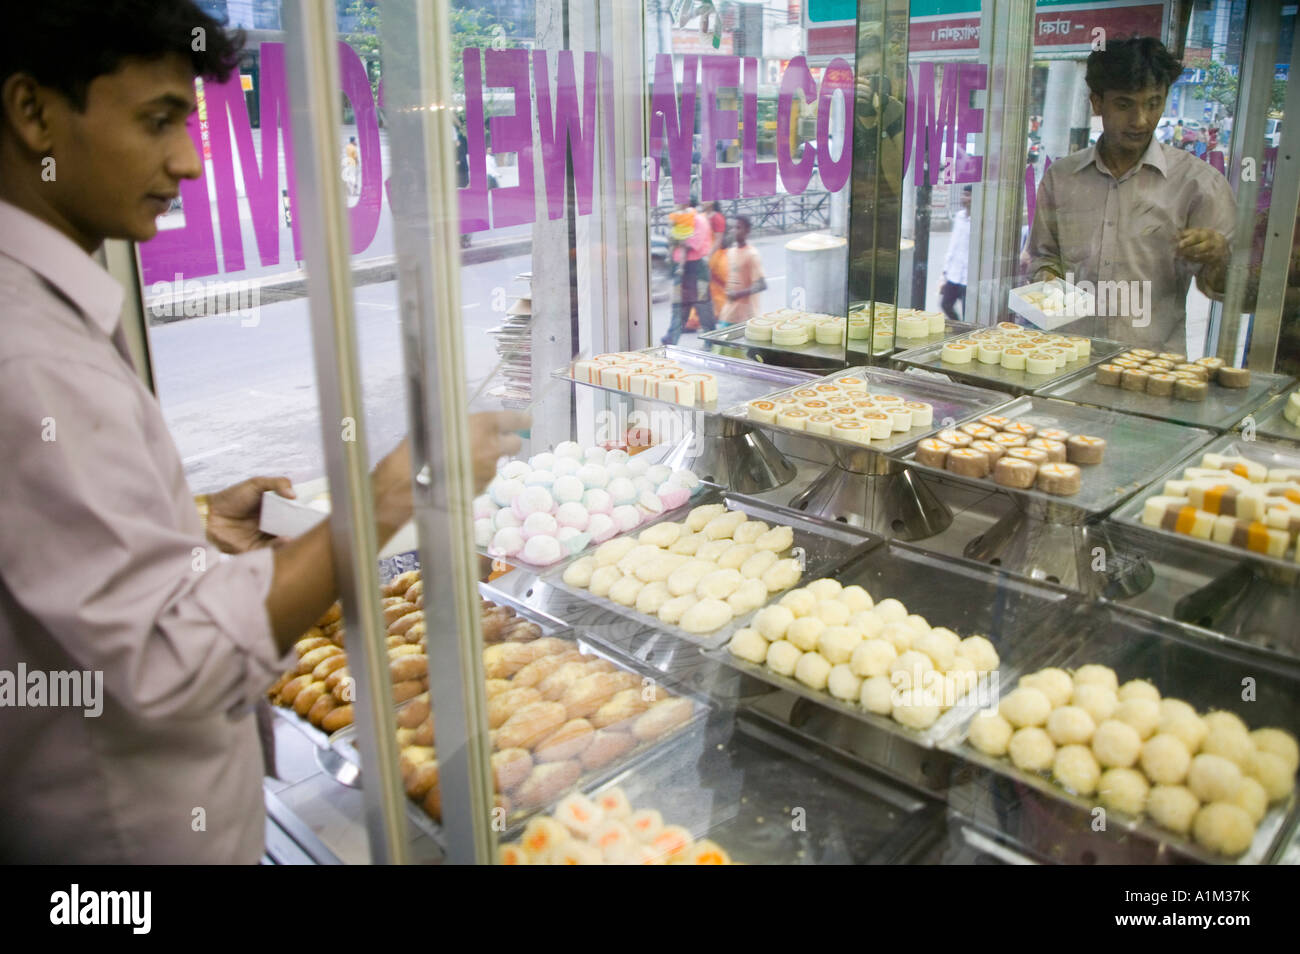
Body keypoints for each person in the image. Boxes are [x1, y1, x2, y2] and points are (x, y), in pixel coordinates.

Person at [0, 0, 527, 863]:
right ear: (34, 113)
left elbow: (69, 571)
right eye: (157, 120)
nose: (190, 160)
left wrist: (195, 533)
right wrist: (392, 495)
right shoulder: (28, 355)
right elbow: (173, 663)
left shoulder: (49, 315)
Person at [1026, 37, 1235, 352]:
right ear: (1097, 103)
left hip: (1152, 369)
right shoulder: (1062, 178)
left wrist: (1219, 257)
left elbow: (1224, 289)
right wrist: (1047, 279)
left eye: (1153, 103)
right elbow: (1044, 255)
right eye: (1125, 104)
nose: (1141, 120)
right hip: (1068, 359)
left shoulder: (1198, 185)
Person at [662, 199, 716, 345]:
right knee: (679, 306)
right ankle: (671, 340)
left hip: (696, 268)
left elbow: (693, 244)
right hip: (681, 269)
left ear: (686, 204)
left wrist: (677, 239)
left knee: (703, 307)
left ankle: (711, 342)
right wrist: (678, 239)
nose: (675, 204)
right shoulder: (680, 219)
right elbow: (671, 239)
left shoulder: (699, 220)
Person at [719, 215, 765, 326]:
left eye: (738, 228)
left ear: (747, 230)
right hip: (729, 313)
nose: (734, 231)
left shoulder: (752, 255)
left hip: (746, 316)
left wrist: (737, 294)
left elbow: (761, 285)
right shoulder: (731, 252)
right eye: (733, 228)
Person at [940, 185, 971, 322]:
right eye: (963, 194)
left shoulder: (979, 221)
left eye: (968, 195)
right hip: (954, 273)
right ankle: (959, 327)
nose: (964, 198)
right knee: (945, 304)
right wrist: (945, 271)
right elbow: (953, 245)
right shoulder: (959, 217)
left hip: (968, 278)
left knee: (968, 313)